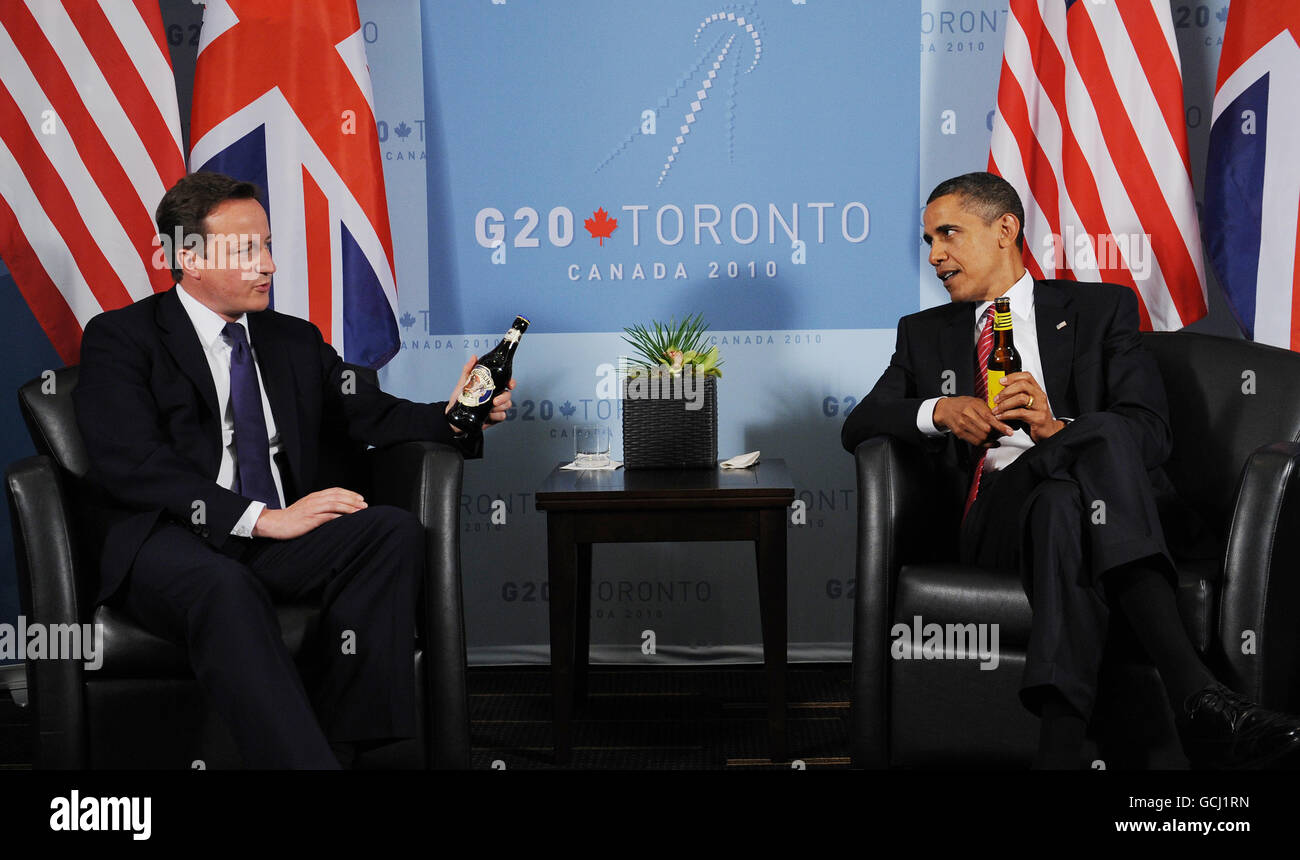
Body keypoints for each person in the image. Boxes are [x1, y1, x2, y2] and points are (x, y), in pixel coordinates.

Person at [841, 171, 1300, 769]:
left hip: (1072, 512)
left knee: (1068, 494)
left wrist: (1056, 430)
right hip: (995, 517)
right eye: (929, 241)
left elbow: (1149, 431)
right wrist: (940, 410)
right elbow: (860, 425)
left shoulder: (1099, 309)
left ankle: (1057, 751)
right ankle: (1197, 694)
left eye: (948, 234)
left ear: (1005, 229)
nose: (935, 256)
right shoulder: (924, 335)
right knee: (1096, 438)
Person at [73, 171, 515, 769]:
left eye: (268, 245)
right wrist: (260, 519)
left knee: (391, 534)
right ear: (189, 259)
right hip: (172, 539)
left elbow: (373, 415)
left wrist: (458, 415)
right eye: (247, 249)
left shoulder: (293, 339)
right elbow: (132, 464)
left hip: (278, 534)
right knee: (223, 587)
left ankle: (343, 748)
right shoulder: (121, 338)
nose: (269, 266)